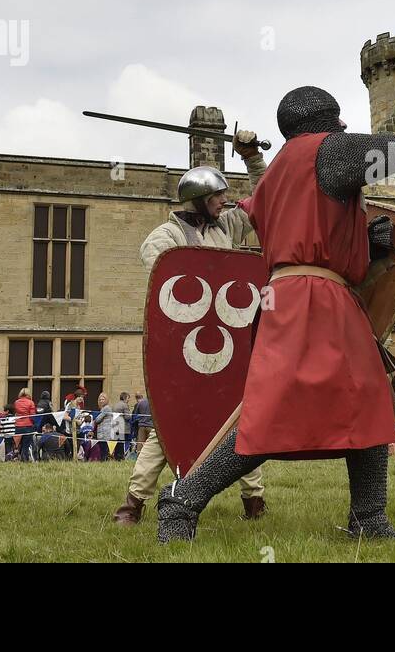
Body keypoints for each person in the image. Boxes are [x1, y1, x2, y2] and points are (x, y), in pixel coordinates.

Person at [156, 84, 395, 542]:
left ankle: (368, 518)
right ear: (325, 120)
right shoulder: (326, 151)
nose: (346, 126)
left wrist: (368, 246)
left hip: (302, 296)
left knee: (367, 400)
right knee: (270, 417)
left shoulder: (277, 173)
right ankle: (182, 501)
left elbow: (304, 225)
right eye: (339, 118)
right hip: (312, 299)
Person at [115, 134, 271, 526]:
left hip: (229, 344)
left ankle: (254, 501)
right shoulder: (167, 236)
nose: (225, 200)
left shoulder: (227, 226)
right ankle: (133, 503)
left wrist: (252, 156)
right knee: (168, 426)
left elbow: (265, 197)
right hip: (184, 348)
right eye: (218, 195)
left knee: (239, 421)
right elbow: (160, 269)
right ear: (199, 199)